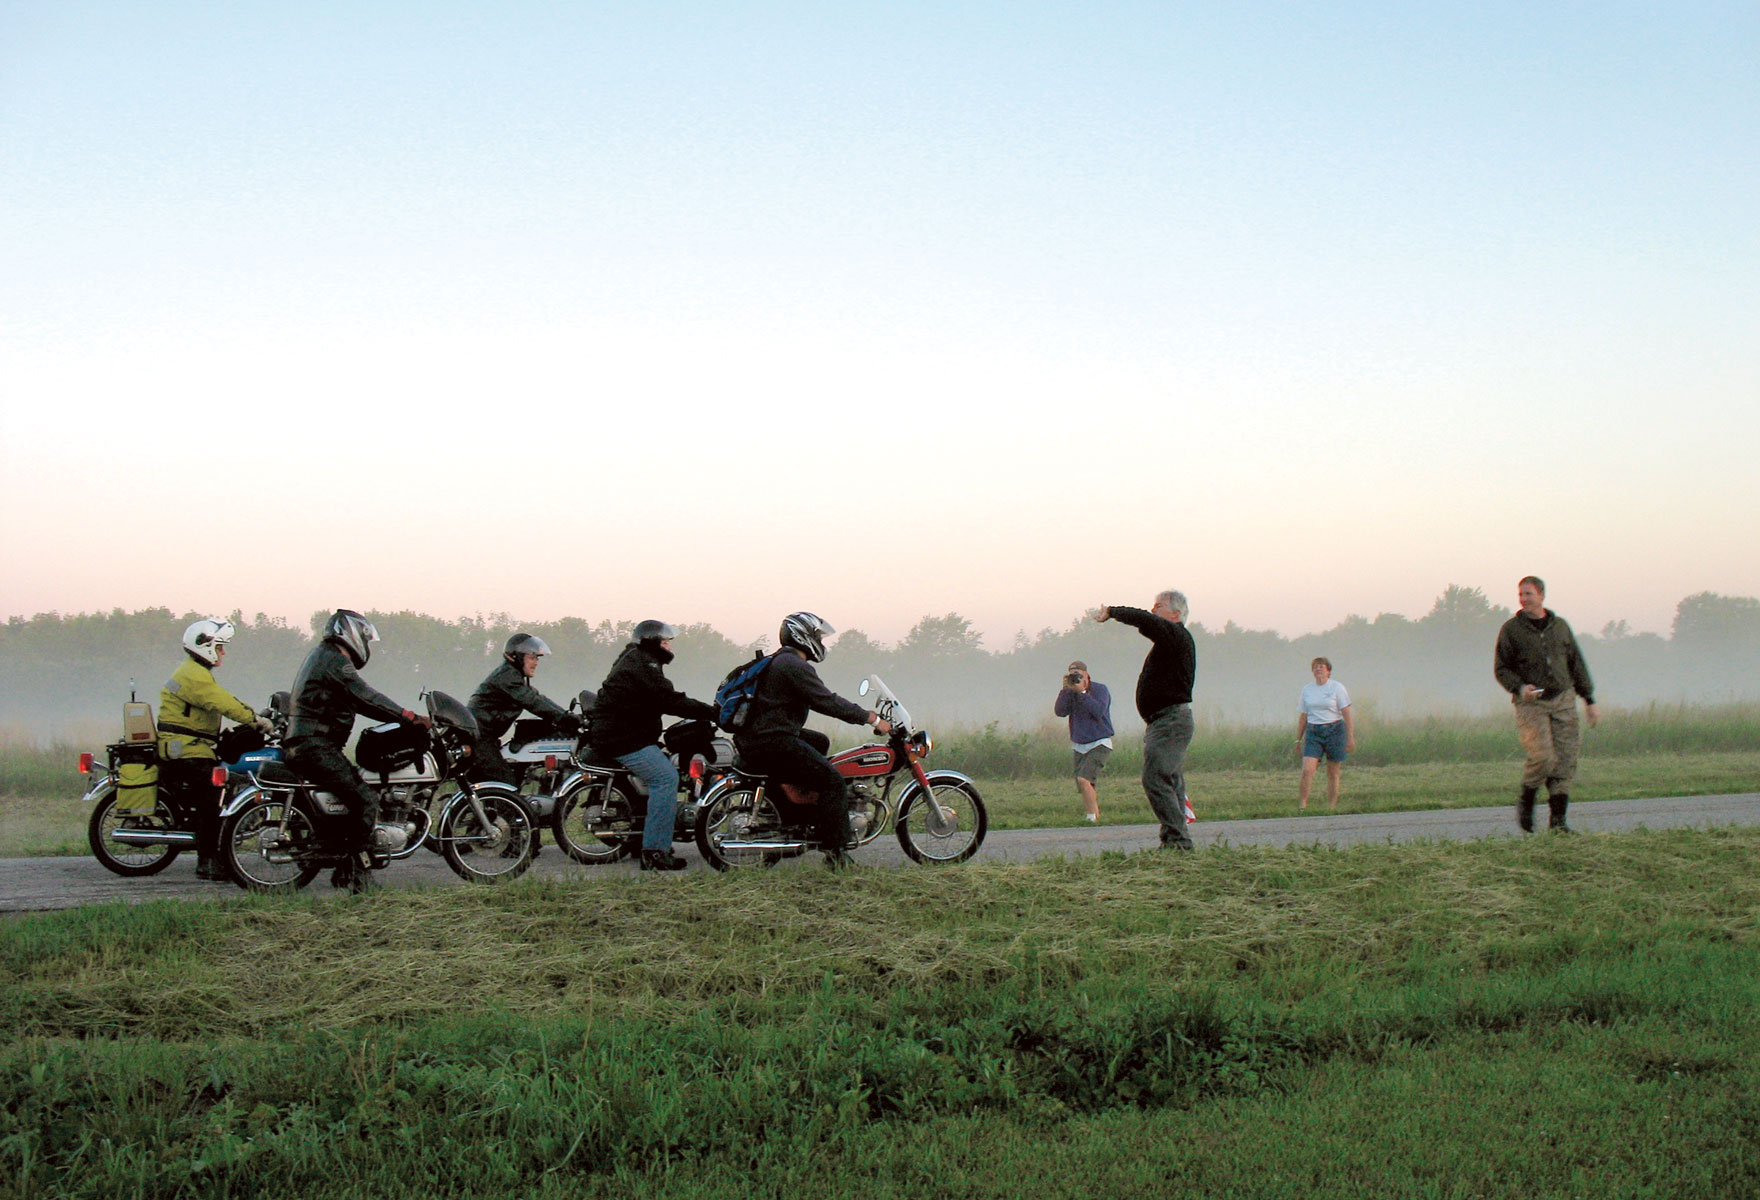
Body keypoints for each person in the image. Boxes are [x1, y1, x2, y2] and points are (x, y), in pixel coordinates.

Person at [733, 612, 891, 866]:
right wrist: (870, 718)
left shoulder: (780, 661)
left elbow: (818, 701)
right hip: (772, 741)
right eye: (817, 636)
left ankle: (805, 809)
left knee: (819, 742)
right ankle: (836, 854)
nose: (821, 642)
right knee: (833, 782)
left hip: (759, 738)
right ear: (802, 636)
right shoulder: (793, 665)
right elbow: (825, 701)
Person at [285, 610, 426, 891]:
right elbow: (365, 695)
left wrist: (397, 716)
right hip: (315, 745)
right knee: (365, 799)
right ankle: (361, 875)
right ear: (350, 634)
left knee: (351, 798)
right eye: (365, 638)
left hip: (310, 744)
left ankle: (344, 869)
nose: (366, 644)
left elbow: (361, 703)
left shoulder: (325, 657)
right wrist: (407, 716)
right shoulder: (335, 661)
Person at [588, 621, 719, 871]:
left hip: (620, 733)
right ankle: (655, 851)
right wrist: (713, 712)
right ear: (652, 642)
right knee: (665, 778)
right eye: (665, 641)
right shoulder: (643, 664)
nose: (669, 646)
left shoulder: (635, 658)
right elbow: (668, 700)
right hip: (622, 738)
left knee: (659, 774)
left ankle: (640, 841)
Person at [157, 618, 275, 881]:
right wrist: (255, 719)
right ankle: (208, 862)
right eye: (220, 647)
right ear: (206, 646)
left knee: (223, 783)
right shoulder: (193, 675)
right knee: (215, 796)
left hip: (191, 748)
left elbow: (223, 698)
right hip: (185, 752)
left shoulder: (194, 671)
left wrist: (254, 716)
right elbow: (221, 701)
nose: (224, 652)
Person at [1494, 576, 1600, 832]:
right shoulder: (1511, 629)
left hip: (1563, 700)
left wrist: (1589, 700)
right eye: (1521, 594)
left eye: (1528, 594)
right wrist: (1519, 688)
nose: (1524, 599)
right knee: (1543, 758)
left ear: (1541, 595)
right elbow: (1501, 668)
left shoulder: (1560, 627)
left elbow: (1576, 663)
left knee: (1565, 761)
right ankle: (1527, 801)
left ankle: (1558, 823)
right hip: (1532, 704)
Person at [1096, 590, 1196, 850]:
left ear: (1175, 614)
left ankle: (1179, 842)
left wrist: (1113, 612)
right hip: (1164, 721)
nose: (1153, 610)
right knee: (1170, 780)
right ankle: (1174, 841)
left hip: (1171, 721)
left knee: (1156, 778)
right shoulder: (1171, 642)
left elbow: (1146, 620)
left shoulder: (1176, 636)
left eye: (1158, 606)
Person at [467, 632, 577, 854]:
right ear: (517, 657)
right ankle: (512, 844)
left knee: (500, 782)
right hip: (478, 737)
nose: (536, 662)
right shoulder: (508, 677)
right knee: (505, 783)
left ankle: (484, 828)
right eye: (532, 657)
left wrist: (564, 715)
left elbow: (539, 698)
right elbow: (533, 702)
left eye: (538, 658)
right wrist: (564, 718)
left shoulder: (515, 676)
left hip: (484, 735)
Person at [1054, 660, 1113, 823]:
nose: (1075, 677)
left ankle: (1091, 817)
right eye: (1072, 674)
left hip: (1099, 742)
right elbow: (1060, 711)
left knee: (1083, 779)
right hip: (1080, 744)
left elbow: (1098, 711)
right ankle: (1095, 815)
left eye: (1078, 674)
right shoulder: (1070, 692)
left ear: (1086, 675)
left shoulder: (1100, 689)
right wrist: (1066, 691)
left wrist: (1082, 693)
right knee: (1084, 784)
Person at [1295, 657, 1356, 811]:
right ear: (1312, 671)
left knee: (1333, 771)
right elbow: (1303, 715)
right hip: (1314, 731)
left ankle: (1331, 807)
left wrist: (1350, 737)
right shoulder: (1307, 689)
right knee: (1308, 769)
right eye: (1315, 667)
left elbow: (1346, 712)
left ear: (1328, 670)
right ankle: (1302, 805)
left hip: (1335, 730)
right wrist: (1298, 740)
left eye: (1321, 666)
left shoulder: (1337, 688)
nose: (1318, 669)